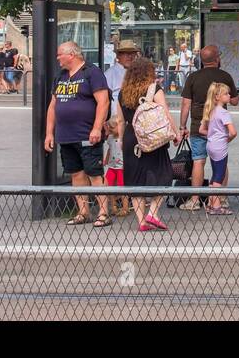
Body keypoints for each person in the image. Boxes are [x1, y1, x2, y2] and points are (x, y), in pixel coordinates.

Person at [43, 41, 111, 227]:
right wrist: (49, 133)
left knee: (94, 173)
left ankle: (104, 213)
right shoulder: (61, 77)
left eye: (59, 55)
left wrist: (97, 128)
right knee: (76, 173)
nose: (57, 59)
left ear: (71, 55)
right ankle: (83, 212)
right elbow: (52, 106)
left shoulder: (92, 72)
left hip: (87, 134)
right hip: (66, 135)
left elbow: (103, 102)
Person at [119, 56, 177, 231]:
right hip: (153, 138)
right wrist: (175, 133)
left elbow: (121, 121)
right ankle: (152, 212)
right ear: (149, 72)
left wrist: (121, 139)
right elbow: (165, 113)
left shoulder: (123, 92)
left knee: (135, 178)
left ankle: (141, 221)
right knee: (164, 174)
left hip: (131, 137)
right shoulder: (154, 89)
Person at [177, 45, 239, 210]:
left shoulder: (193, 77)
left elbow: (185, 104)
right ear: (217, 58)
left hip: (199, 126)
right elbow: (235, 100)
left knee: (198, 161)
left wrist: (182, 126)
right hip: (219, 130)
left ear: (201, 60)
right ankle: (221, 199)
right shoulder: (224, 76)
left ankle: (195, 200)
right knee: (221, 163)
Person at [200, 81, 237, 215]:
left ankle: (211, 202)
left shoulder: (210, 111)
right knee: (219, 176)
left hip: (210, 145)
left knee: (215, 173)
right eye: (226, 94)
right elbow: (233, 132)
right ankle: (216, 206)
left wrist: (213, 134)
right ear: (217, 97)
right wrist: (227, 138)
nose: (229, 95)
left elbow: (201, 130)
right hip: (220, 147)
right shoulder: (224, 113)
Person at [103, 87, 132, 219]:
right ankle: (113, 206)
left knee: (122, 187)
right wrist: (106, 159)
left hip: (121, 167)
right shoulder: (110, 138)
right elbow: (109, 148)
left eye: (112, 127)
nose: (110, 128)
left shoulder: (123, 138)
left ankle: (125, 207)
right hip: (112, 165)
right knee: (108, 185)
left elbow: (127, 151)